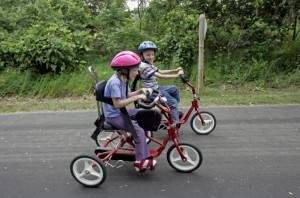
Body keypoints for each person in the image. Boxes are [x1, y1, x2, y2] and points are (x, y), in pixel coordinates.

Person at [103, 50, 156, 172]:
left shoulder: (123, 79)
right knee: (138, 130)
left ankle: (142, 146)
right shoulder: (115, 82)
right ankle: (140, 161)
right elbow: (117, 104)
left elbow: (126, 95)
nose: (137, 73)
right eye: (135, 70)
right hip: (114, 115)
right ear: (125, 70)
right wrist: (137, 97)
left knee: (144, 114)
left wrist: (140, 91)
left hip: (121, 111)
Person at [137, 40, 184, 124]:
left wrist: (175, 70)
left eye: (152, 54)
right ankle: (175, 122)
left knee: (174, 89)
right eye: (148, 55)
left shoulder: (149, 64)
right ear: (142, 56)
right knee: (173, 102)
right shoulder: (143, 66)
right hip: (152, 92)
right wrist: (177, 75)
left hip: (156, 88)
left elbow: (161, 71)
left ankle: (173, 110)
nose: (151, 57)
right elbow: (161, 76)